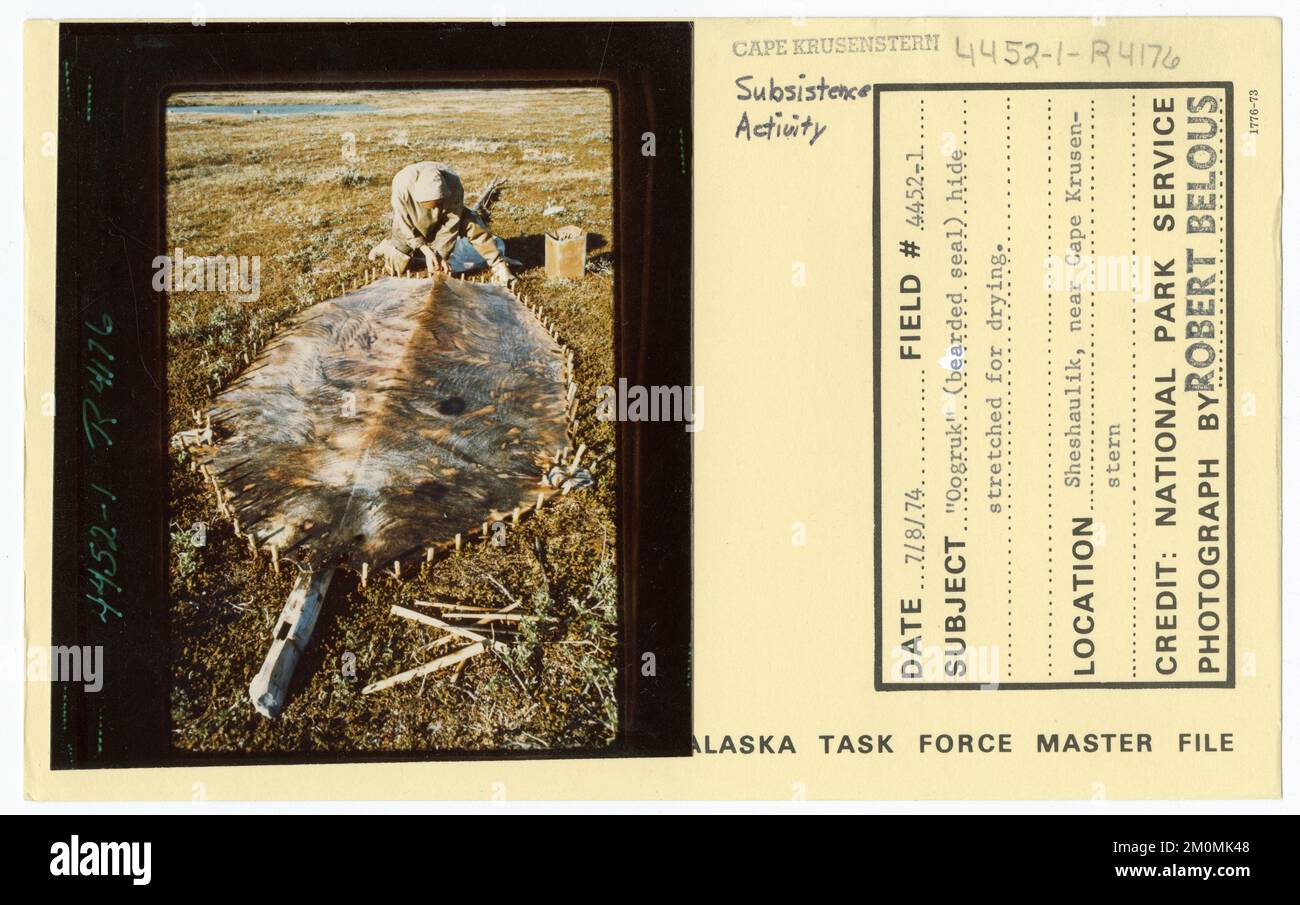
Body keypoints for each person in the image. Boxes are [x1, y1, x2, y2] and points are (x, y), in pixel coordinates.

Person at [369, 161, 513, 286]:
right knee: (396, 270)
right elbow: (405, 226)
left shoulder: (454, 184)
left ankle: (498, 266)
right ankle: (388, 247)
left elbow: (450, 226)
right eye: (432, 206)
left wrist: (440, 256)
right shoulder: (401, 186)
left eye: (439, 204)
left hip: (448, 214)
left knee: (473, 224)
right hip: (412, 222)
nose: (436, 211)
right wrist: (425, 249)